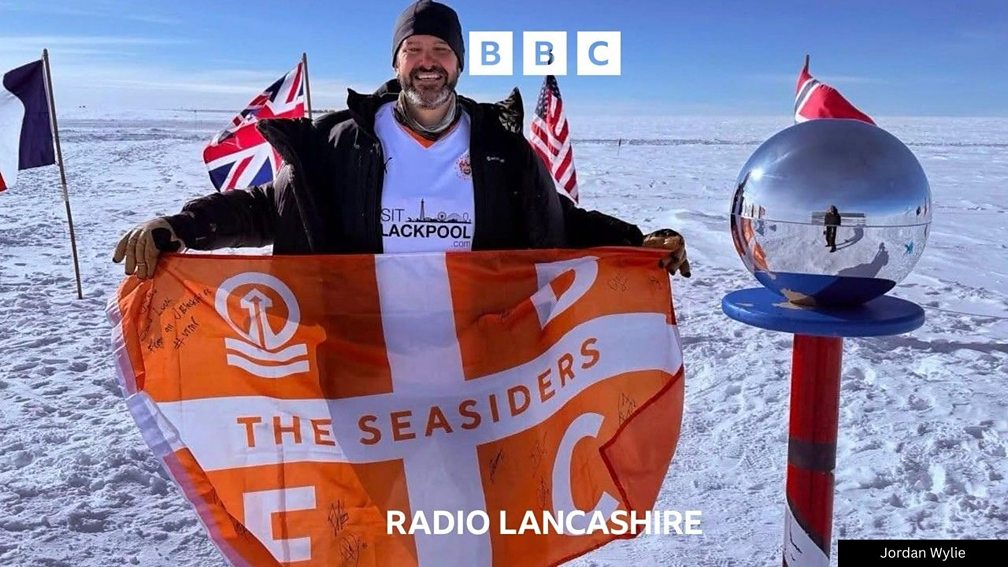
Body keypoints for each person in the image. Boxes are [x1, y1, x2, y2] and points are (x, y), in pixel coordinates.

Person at [113, 0, 690, 280]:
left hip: (482, 358)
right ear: (396, 61)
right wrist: (181, 227)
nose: (428, 63)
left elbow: (558, 222)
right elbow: (272, 207)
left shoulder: (502, 146)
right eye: (414, 50)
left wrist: (638, 242)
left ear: (459, 63)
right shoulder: (342, 140)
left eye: (441, 50)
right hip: (364, 352)